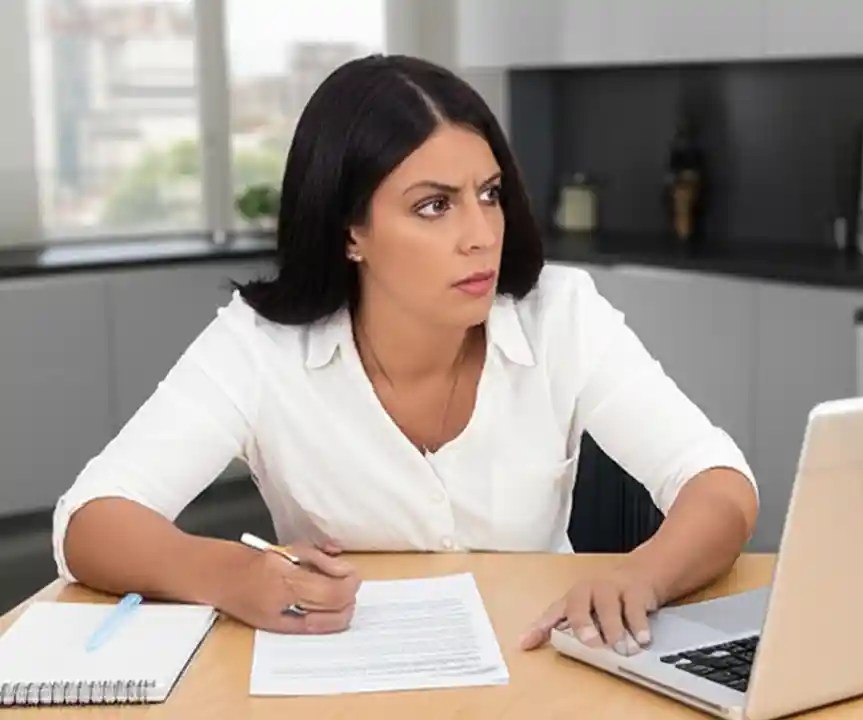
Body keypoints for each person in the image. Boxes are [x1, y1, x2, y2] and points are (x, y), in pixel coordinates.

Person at [52, 55, 757, 659]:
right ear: (349, 230)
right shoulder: (259, 346)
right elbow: (91, 518)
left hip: (543, 671)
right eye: (433, 206)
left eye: (489, 195)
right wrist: (226, 571)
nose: (481, 234)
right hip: (345, 686)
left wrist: (646, 573)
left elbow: (720, 484)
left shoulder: (561, 314)